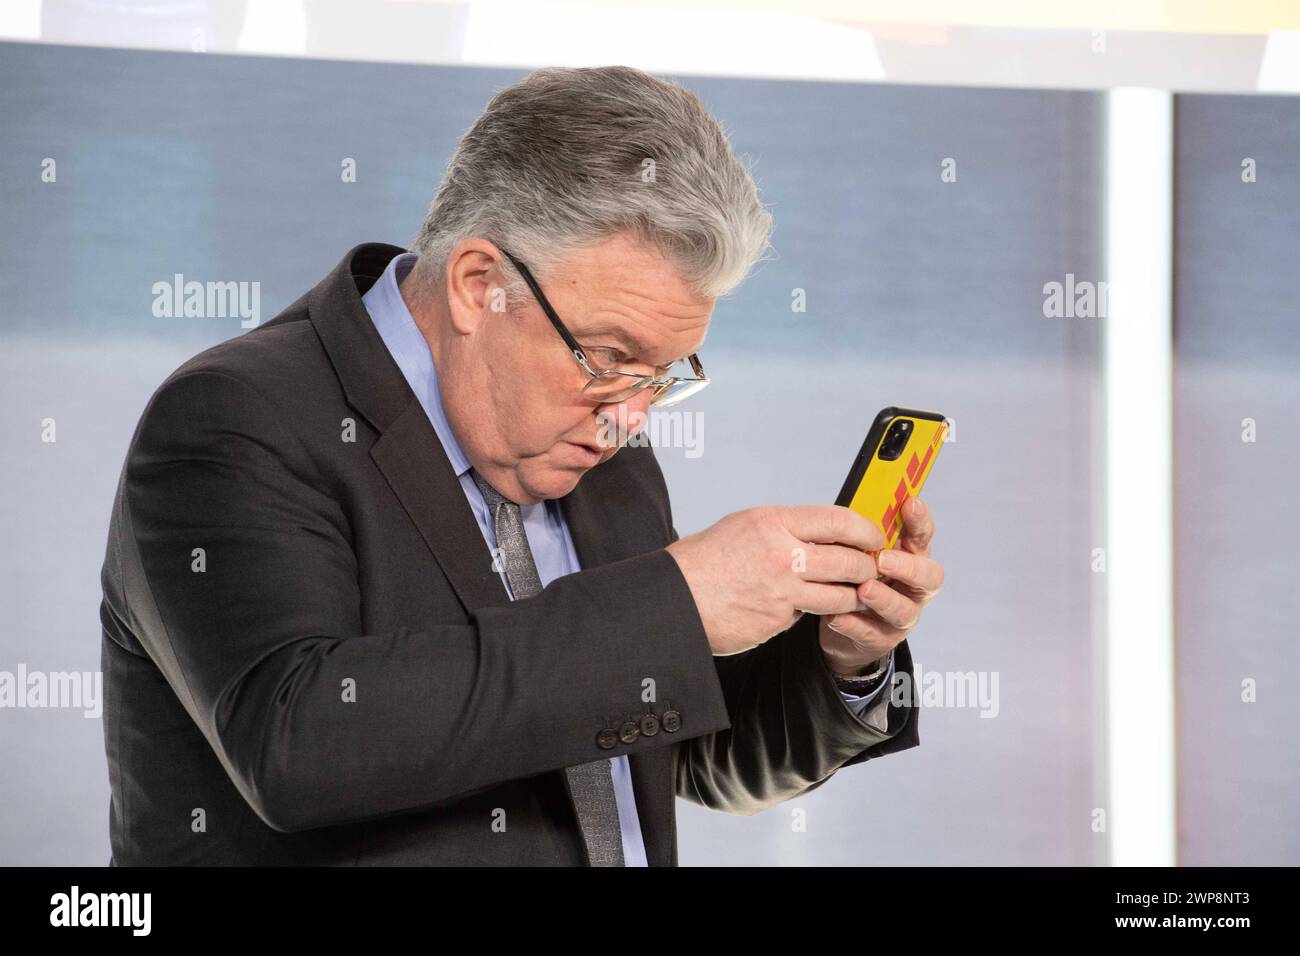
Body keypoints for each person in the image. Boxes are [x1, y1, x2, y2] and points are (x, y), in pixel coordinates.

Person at [99, 65, 944, 866]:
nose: (629, 417)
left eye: (661, 376)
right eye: (610, 356)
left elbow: (677, 753)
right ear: (477, 284)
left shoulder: (602, 444)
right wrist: (675, 607)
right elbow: (298, 742)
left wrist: (844, 661)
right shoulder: (236, 417)